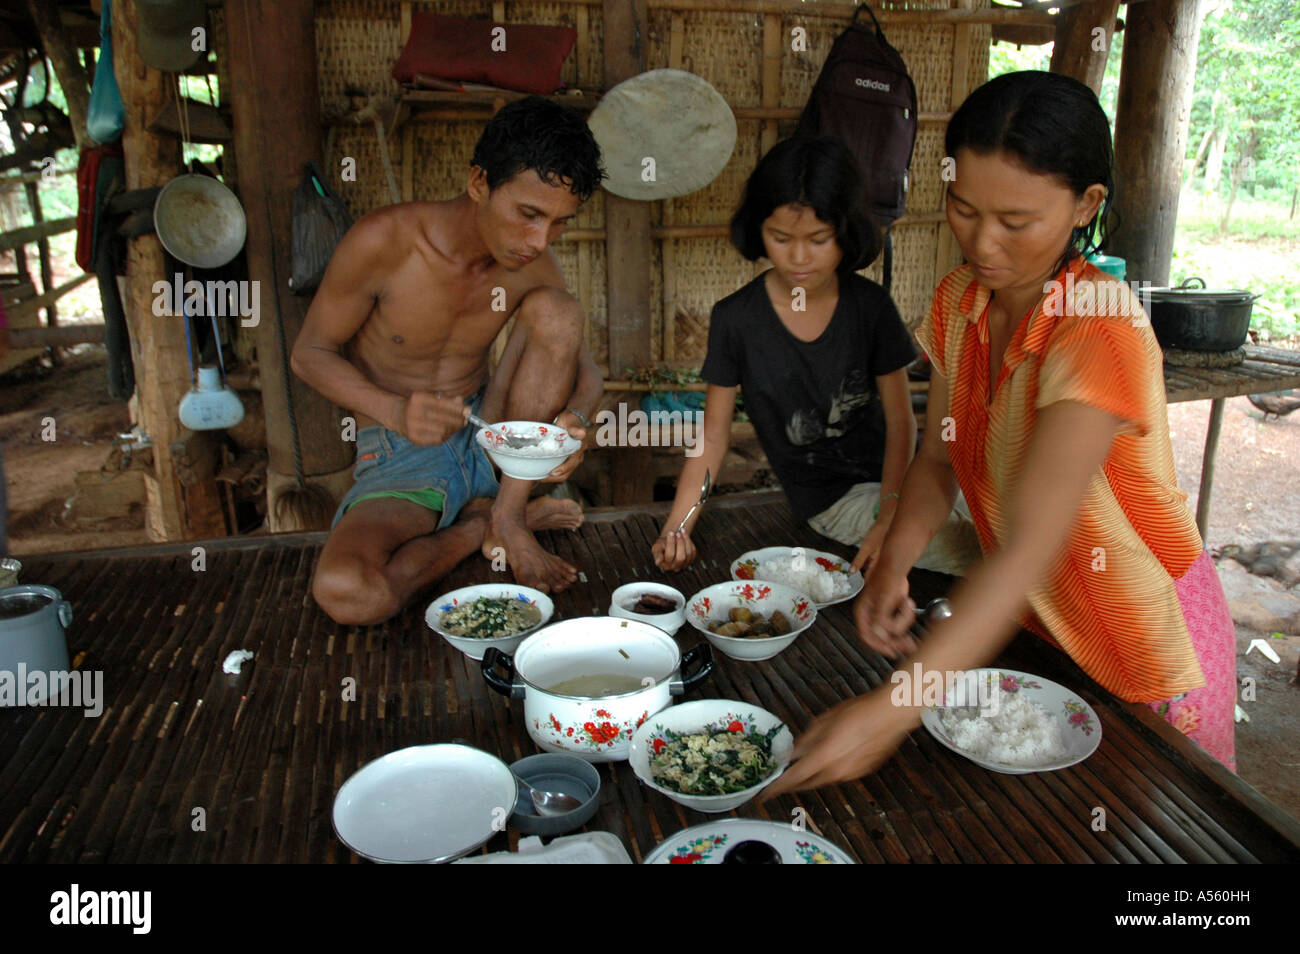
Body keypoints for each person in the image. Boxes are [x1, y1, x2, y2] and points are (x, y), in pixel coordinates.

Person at [767, 72, 1237, 798]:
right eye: (963, 207)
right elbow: (938, 459)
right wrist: (893, 559)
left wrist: (892, 710)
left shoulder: (1097, 325)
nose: (983, 242)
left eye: (1016, 222)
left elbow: (1030, 541)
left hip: (1146, 639)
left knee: (1159, 839)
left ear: (1086, 204)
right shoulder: (960, 301)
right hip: (1043, 623)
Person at [293, 97, 606, 624]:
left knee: (558, 311)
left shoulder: (533, 264)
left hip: (494, 431)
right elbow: (309, 355)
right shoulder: (384, 243)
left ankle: (508, 513)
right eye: (528, 215)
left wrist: (577, 418)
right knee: (350, 591)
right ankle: (481, 525)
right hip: (402, 450)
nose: (539, 241)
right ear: (480, 183)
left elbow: (584, 366)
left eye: (558, 223)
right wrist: (394, 411)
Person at [652, 136, 979, 576]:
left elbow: (902, 423)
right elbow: (713, 438)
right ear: (759, 232)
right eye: (781, 238)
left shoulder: (871, 307)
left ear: (846, 232)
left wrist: (890, 515)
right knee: (976, 551)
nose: (800, 257)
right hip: (833, 500)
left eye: (819, 238)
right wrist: (678, 527)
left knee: (1010, 529)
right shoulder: (736, 319)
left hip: (907, 480)